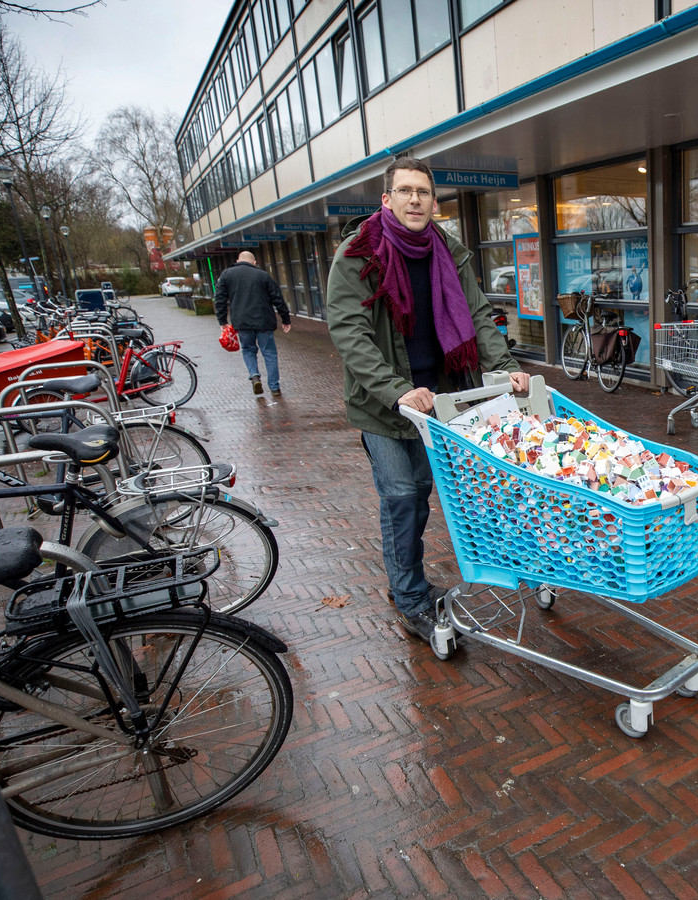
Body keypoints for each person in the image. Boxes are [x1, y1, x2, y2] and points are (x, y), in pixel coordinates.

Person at [326, 157, 529, 644]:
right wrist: (396, 390)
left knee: (431, 494)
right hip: (385, 403)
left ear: (434, 202)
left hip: (442, 398)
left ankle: (410, 582)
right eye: (405, 191)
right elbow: (350, 332)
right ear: (387, 199)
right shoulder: (359, 254)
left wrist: (502, 370)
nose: (415, 199)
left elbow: (478, 314)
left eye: (423, 192)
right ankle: (411, 596)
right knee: (402, 498)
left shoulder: (448, 250)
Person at [215, 250, 291, 397]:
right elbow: (277, 298)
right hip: (264, 321)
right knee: (269, 353)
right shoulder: (263, 275)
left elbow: (220, 298)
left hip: (242, 322)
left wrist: (222, 320)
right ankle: (274, 388)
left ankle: (254, 375)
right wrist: (285, 319)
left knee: (248, 350)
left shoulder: (226, 275)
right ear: (254, 262)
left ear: (238, 260)